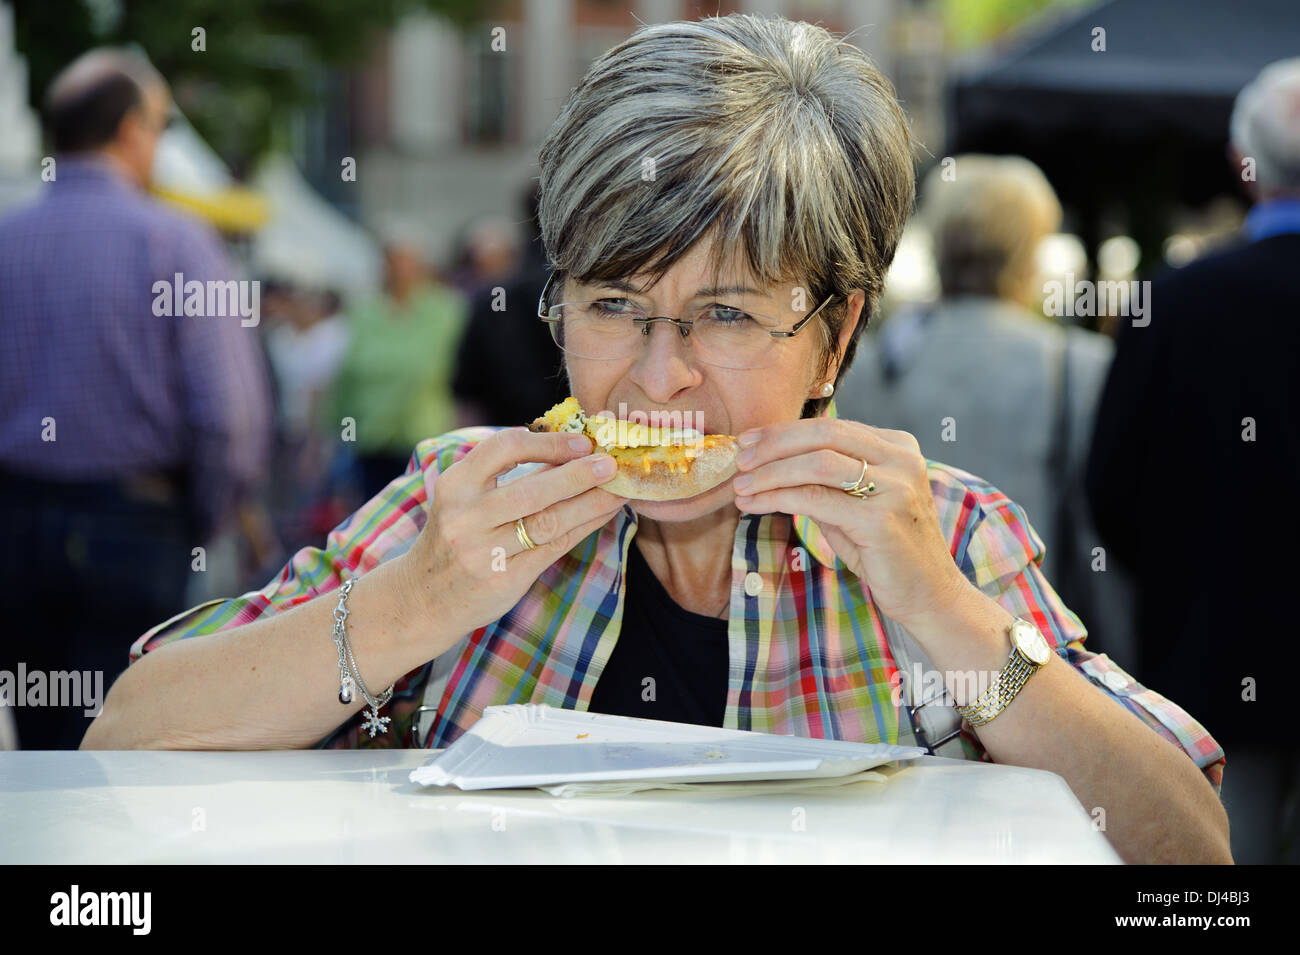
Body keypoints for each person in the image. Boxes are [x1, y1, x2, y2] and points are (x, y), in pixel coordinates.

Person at [86, 14, 1228, 864]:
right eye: (611, 306)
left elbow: (1191, 856)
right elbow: (123, 740)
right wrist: (416, 601)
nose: (656, 373)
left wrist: (944, 611)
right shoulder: (466, 499)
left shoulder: (948, 531)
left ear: (834, 341)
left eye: (726, 313)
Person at [0, 48, 273, 750]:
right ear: (129, 131)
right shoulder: (175, 240)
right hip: (135, 522)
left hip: (17, 519)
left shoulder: (7, 239)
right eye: (158, 125)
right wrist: (204, 514)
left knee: (39, 741)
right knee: (121, 746)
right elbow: (228, 416)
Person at [1086, 57, 1300, 864]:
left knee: (1216, 874)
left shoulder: (1173, 302)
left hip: (1211, 657)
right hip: (1211, 650)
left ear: (1245, 169)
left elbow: (1113, 486)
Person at [835, 155, 1138, 671]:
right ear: (1029, 252)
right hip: (1036, 638)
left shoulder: (867, 363)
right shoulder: (1080, 366)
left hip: (883, 643)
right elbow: (1105, 529)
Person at [323, 238, 468, 503]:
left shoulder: (445, 310)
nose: (399, 271)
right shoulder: (364, 311)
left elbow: (456, 371)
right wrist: (339, 430)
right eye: (392, 262)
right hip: (371, 438)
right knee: (373, 519)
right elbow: (347, 373)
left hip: (424, 437)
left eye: (407, 263)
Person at [453, 179, 572, 427]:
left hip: (507, 438)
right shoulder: (590, 296)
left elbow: (465, 385)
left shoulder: (491, 299)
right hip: (578, 434)